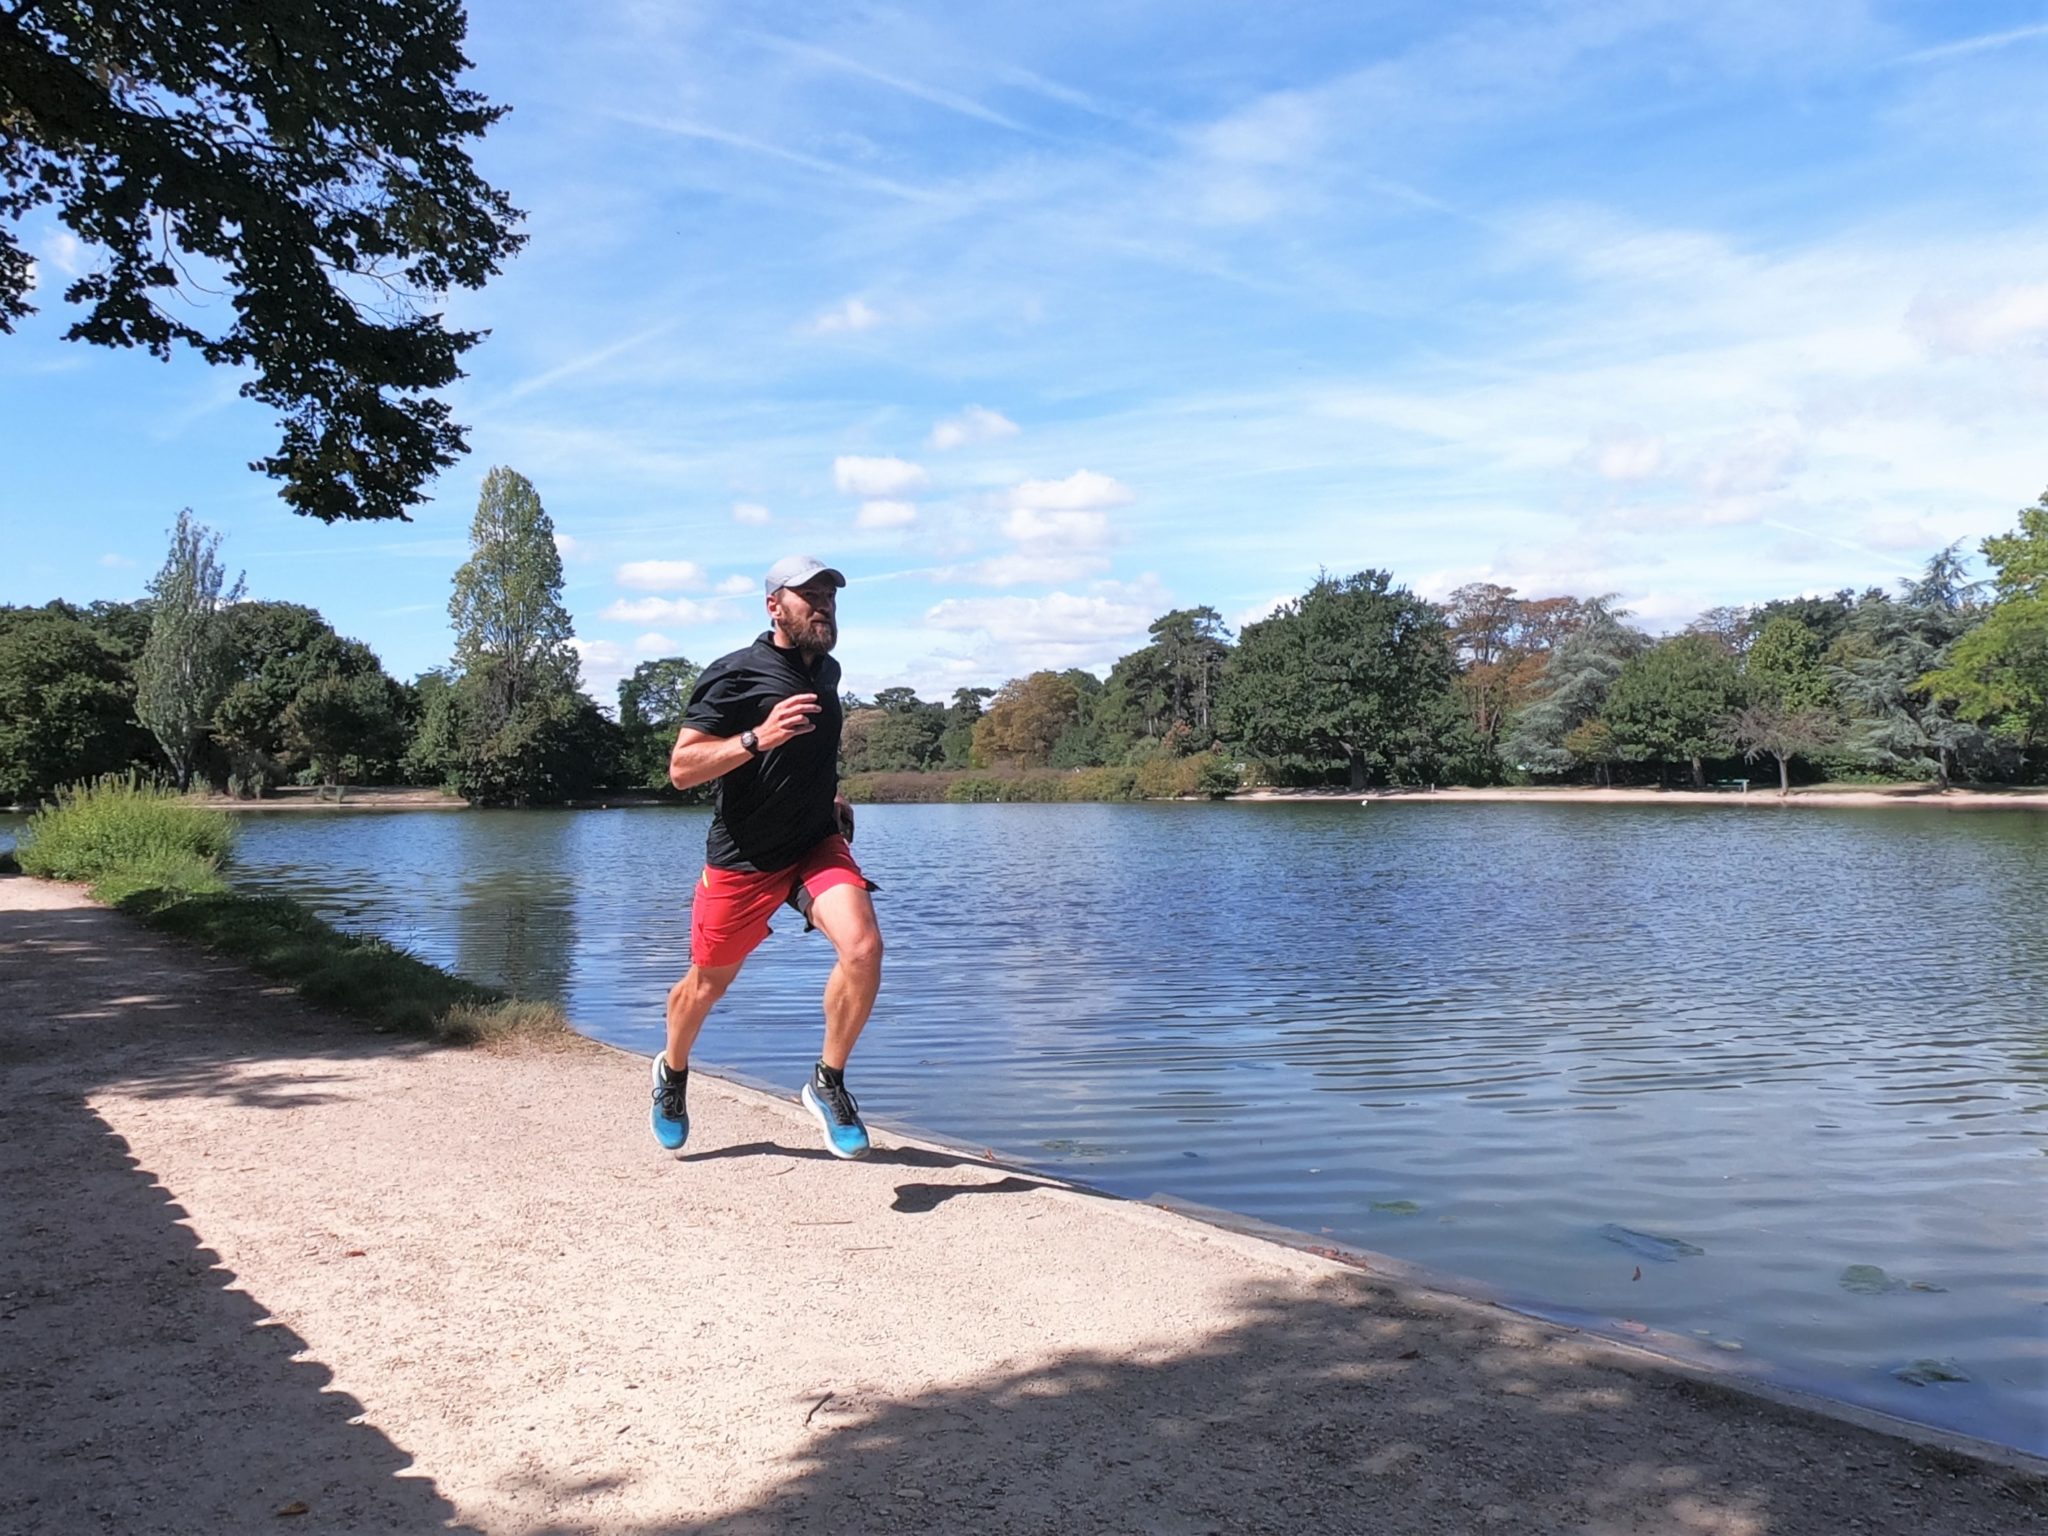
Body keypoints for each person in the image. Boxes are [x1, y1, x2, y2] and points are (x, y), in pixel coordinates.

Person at [651, 555, 882, 1160]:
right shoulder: (733, 675)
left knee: (862, 948)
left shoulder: (827, 671)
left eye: (830, 593)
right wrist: (758, 737)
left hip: (813, 843)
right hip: (744, 858)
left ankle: (827, 1083)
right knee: (705, 986)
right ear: (775, 606)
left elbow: (811, 753)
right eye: (809, 595)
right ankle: (672, 1074)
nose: (824, 604)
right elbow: (681, 770)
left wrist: (828, 792)